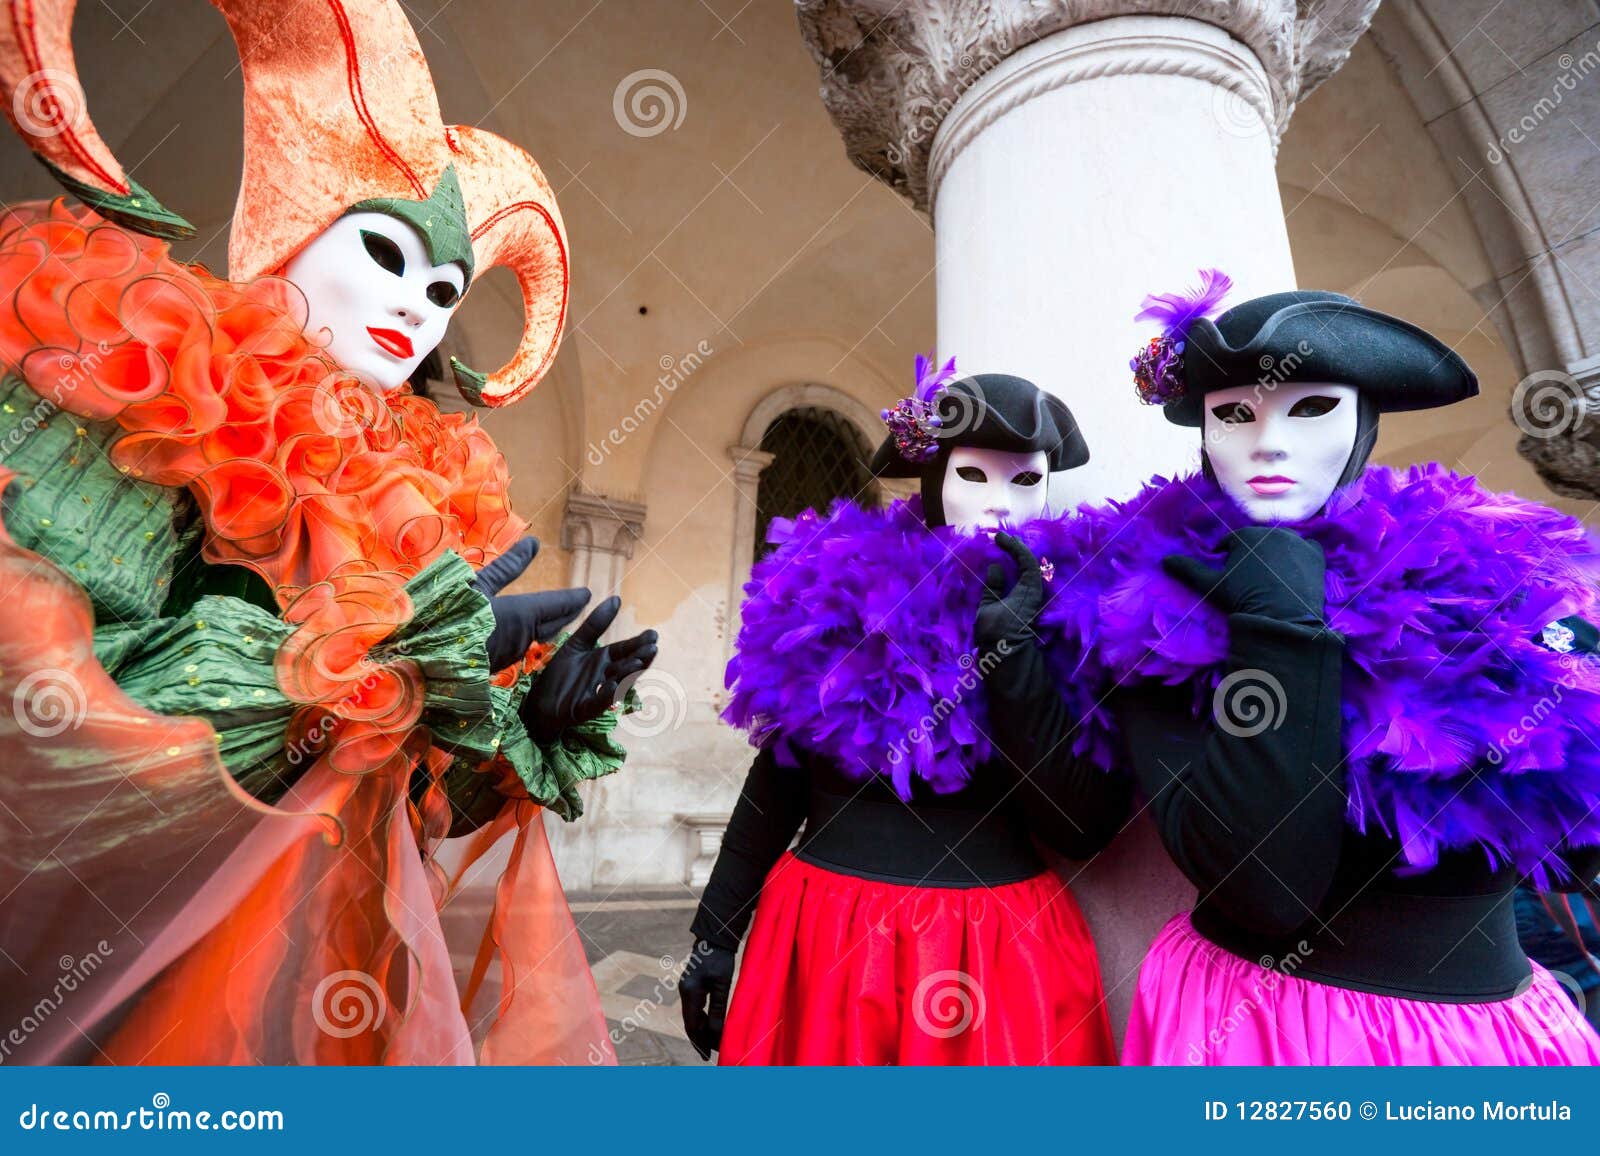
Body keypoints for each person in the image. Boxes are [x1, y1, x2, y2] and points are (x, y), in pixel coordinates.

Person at [0, 0, 654, 1064]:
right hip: (143, 980)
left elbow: (399, 802)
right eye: (388, 254)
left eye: (446, 288)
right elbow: (58, 749)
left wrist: (503, 721)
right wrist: (379, 653)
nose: (420, 310)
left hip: (339, 971)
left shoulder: (418, 488)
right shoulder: (133, 385)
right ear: (292, 225)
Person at [1041, 271, 1600, 1064]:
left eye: (1311, 408)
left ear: (1366, 422)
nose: (1269, 441)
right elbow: (1266, 891)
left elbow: (1574, 819)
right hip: (1271, 1031)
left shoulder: (1494, 574)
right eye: (1234, 414)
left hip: (1499, 1036)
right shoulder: (1155, 607)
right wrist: (1279, 629)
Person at [677, 358, 1129, 1065]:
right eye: (974, 475)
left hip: (993, 953)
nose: (1001, 504)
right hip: (826, 942)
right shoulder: (837, 590)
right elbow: (779, 781)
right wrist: (716, 931)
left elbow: (1083, 825)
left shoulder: (1085, 617)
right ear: (932, 478)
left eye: (1025, 478)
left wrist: (1013, 660)